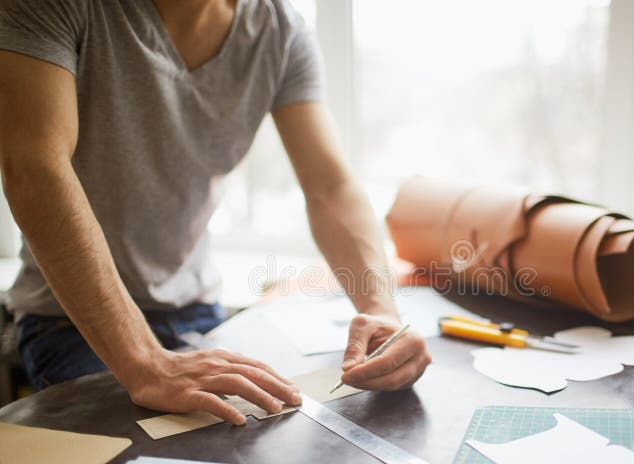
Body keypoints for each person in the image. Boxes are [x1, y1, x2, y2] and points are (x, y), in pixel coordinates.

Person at [0, 0, 432, 424]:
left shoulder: (279, 28)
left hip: (195, 309)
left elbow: (330, 188)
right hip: (71, 323)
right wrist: (144, 360)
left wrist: (381, 312)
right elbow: (35, 168)